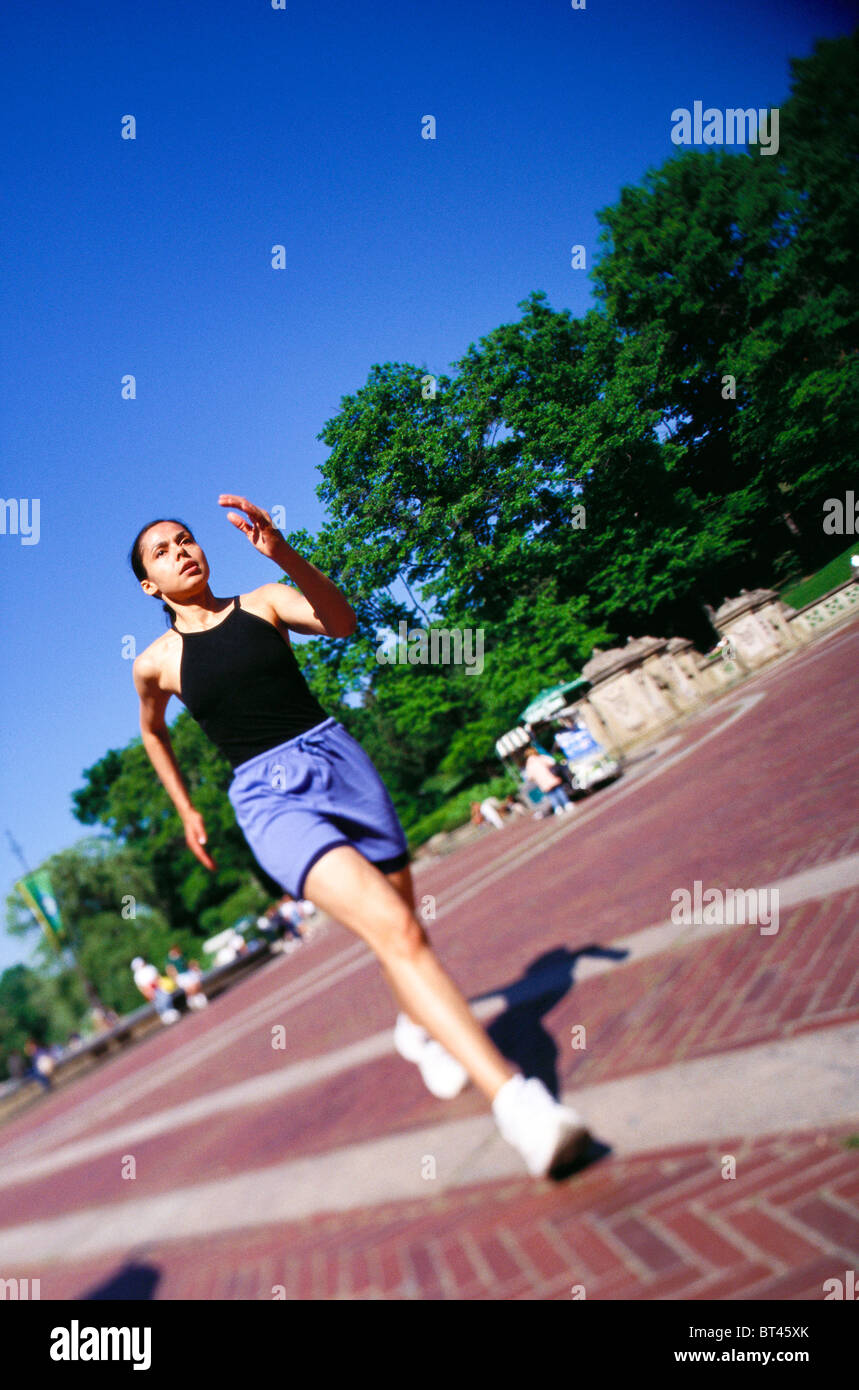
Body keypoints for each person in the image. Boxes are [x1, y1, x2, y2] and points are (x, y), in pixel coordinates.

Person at [129, 497, 589, 1177]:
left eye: (187, 539)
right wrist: (185, 808)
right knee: (394, 932)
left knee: (403, 928)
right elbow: (152, 731)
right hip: (268, 798)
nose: (183, 551)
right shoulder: (155, 662)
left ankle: (414, 1026)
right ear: (150, 585)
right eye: (163, 551)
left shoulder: (265, 601)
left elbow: (341, 622)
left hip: (339, 763)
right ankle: (519, 1106)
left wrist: (281, 552)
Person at [523, 744, 575, 817]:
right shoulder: (540, 758)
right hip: (550, 777)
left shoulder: (529, 765)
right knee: (559, 791)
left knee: (551, 795)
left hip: (542, 782)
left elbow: (529, 776)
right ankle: (567, 803)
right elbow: (552, 761)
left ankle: (557, 808)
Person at [131, 956, 180, 1025]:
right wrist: (148, 993)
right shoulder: (137, 975)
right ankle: (165, 1015)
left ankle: (170, 1012)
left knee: (165, 998)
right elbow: (142, 988)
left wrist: (157, 985)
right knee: (158, 1003)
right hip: (150, 992)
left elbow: (158, 977)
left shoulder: (150, 968)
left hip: (159, 987)